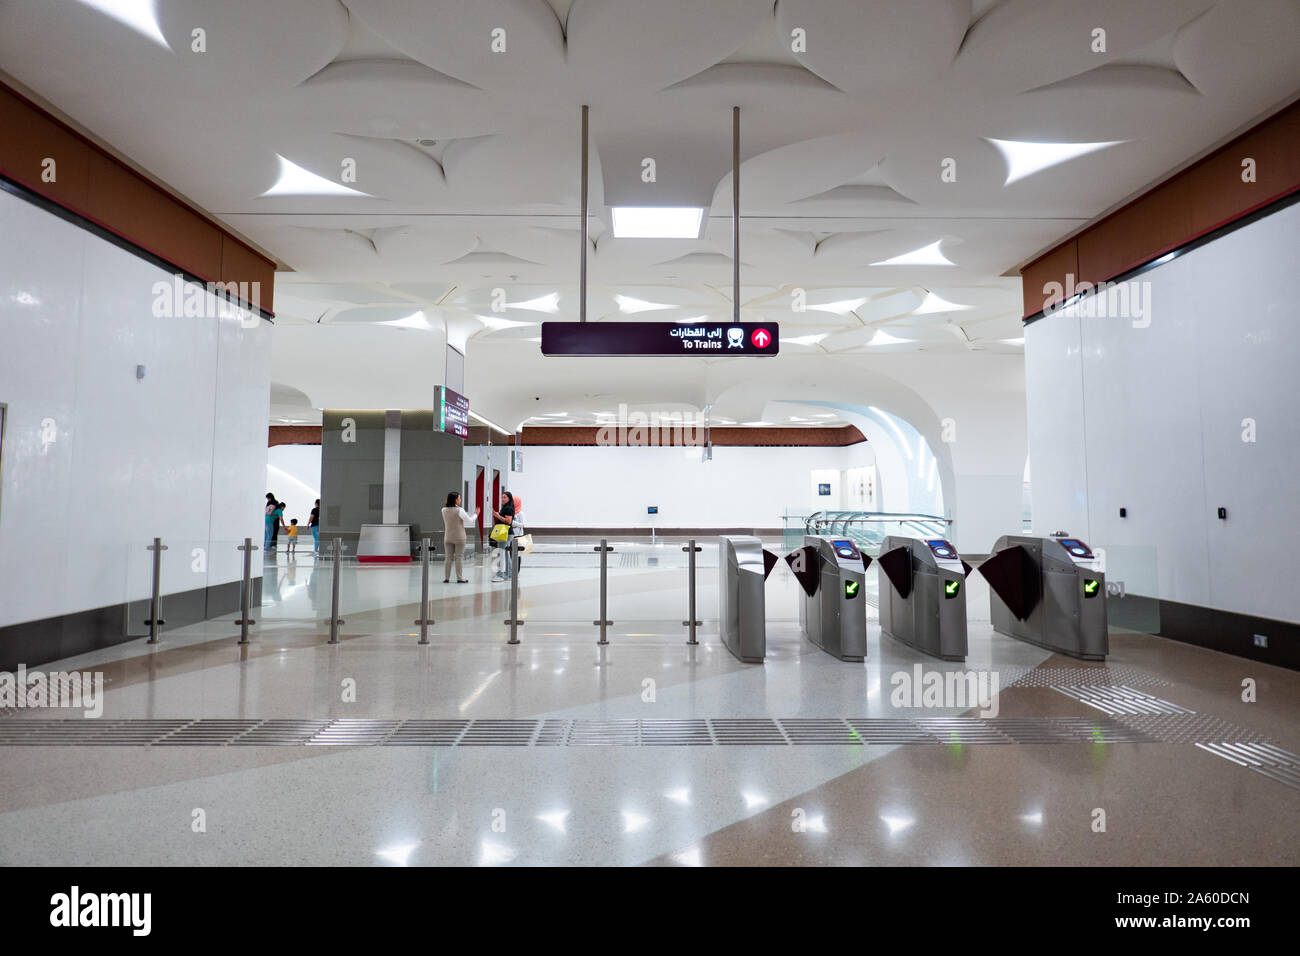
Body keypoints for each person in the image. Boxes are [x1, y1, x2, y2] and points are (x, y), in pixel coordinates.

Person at [440, 492, 479, 584]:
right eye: (459, 498)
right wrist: (476, 514)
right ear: (455, 500)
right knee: (459, 557)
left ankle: (446, 578)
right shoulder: (459, 510)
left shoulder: (443, 510)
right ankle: (459, 578)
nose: (460, 500)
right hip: (459, 537)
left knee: (448, 557)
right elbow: (469, 520)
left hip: (448, 536)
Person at [492, 491, 522, 582]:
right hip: (506, 533)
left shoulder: (508, 508)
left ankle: (500, 574)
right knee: (504, 553)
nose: (502, 499)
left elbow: (508, 521)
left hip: (506, 533)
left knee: (501, 553)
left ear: (509, 498)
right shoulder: (506, 507)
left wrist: (498, 516)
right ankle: (510, 573)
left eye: (505, 497)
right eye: (502, 497)